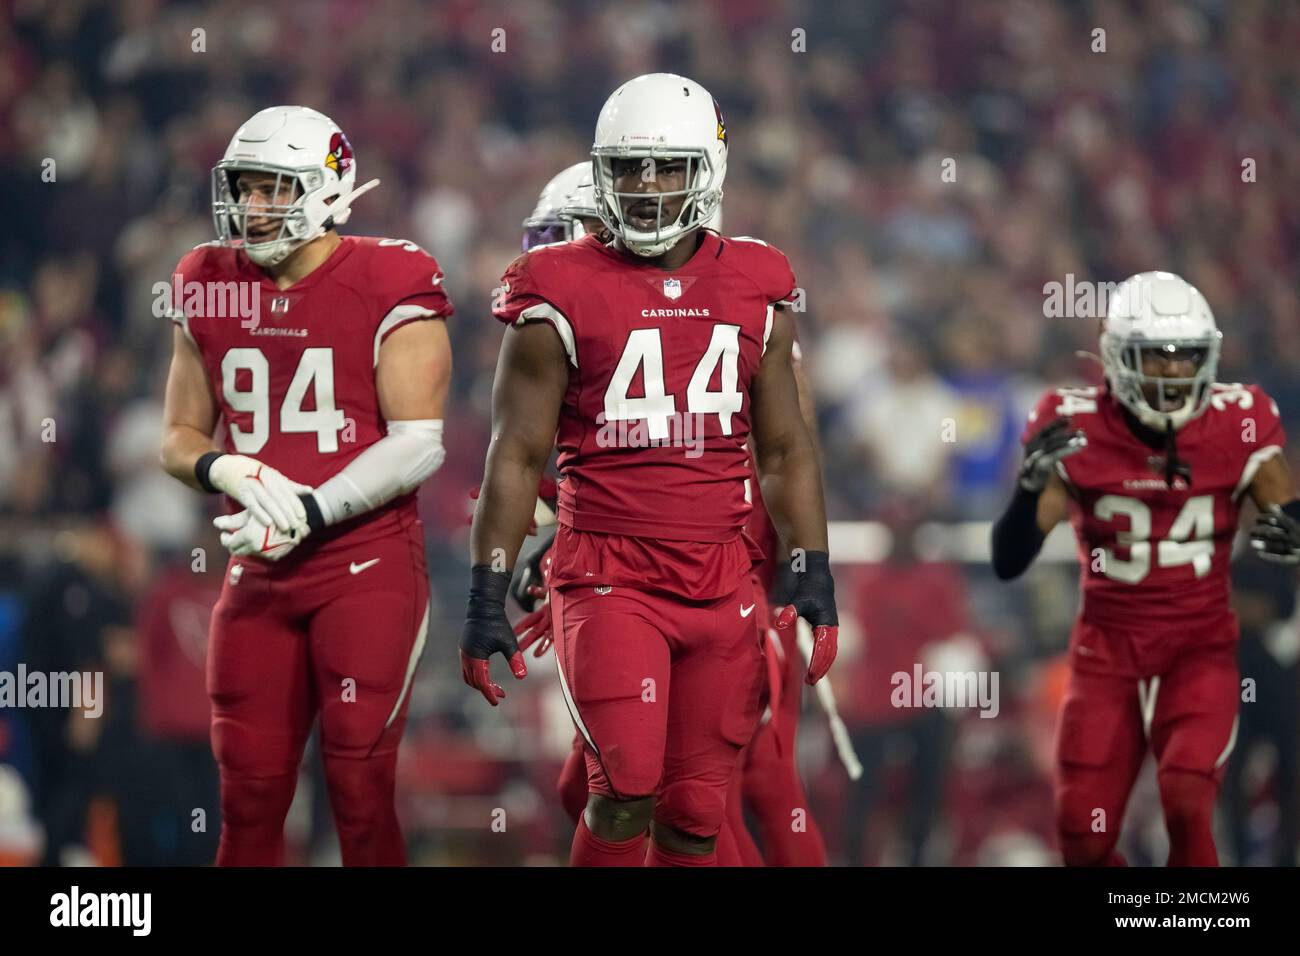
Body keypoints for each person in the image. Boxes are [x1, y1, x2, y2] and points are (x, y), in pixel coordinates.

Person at [461, 74, 838, 866]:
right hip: (611, 575)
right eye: (630, 167)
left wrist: (812, 569)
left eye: (667, 168)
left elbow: (785, 448)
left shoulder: (758, 280)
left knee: (701, 812)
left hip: (725, 574)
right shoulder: (553, 287)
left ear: (709, 169)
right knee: (621, 786)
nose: (646, 187)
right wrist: (484, 590)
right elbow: (517, 454)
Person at [159, 105, 453, 865]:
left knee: (358, 792)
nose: (252, 208)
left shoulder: (390, 275)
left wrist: (312, 508)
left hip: (365, 567)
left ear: (328, 190)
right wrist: (227, 467)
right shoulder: (206, 279)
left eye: (274, 189)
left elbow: (419, 442)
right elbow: (178, 437)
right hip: (256, 571)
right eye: (244, 189)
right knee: (248, 799)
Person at [991, 271, 1300, 866]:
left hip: (1199, 646)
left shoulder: (1241, 419)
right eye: (1156, 357)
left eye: (1187, 357)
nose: (1175, 372)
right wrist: (1028, 493)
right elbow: (1009, 560)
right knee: (1082, 834)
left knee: (1187, 799)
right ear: (1117, 358)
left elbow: (1286, 510)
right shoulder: (1074, 425)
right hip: (1108, 650)